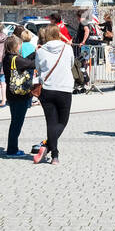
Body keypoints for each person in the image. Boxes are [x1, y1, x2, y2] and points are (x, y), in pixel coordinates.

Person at [32, 24, 74, 164]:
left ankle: (55, 155)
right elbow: (71, 64)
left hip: (47, 89)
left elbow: (37, 68)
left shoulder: (40, 51)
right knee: (62, 121)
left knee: (51, 122)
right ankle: (48, 147)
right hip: (64, 88)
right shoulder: (67, 48)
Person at [2, 31, 36, 157]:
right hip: (19, 94)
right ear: (16, 46)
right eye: (19, 45)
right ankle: (12, 149)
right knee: (17, 122)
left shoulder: (7, 58)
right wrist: (37, 54)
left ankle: (12, 147)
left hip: (11, 94)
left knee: (14, 121)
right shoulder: (16, 59)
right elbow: (31, 64)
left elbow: (25, 61)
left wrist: (33, 53)